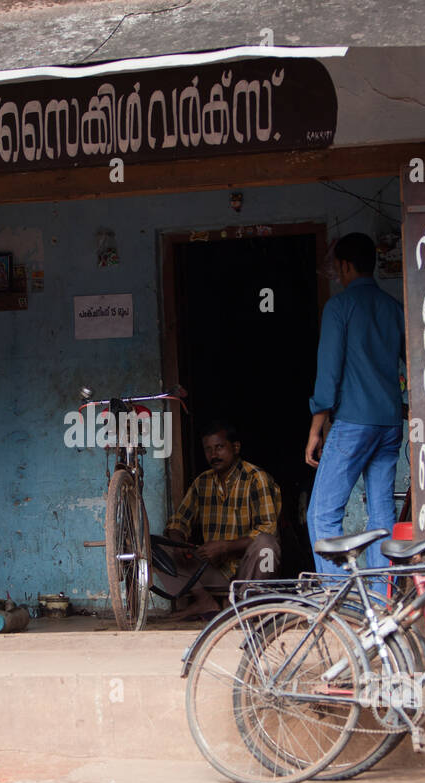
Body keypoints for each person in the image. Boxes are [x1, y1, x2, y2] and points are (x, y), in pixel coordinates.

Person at [305, 233, 404, 575]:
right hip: (390, 423)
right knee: (381, 514)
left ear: (345, 265)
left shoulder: (339, 306)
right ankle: (381, 601)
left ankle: (338, 604)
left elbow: (328, 373)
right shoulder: (393, 307)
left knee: (322, 514)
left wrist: (316, 429)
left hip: (353, 423)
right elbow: (409, 363)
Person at [160, 421, 282, 618]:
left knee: (266, 544)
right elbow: (179, 521)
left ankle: (245, 604)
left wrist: (226, 547)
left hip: (247, 570)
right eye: (208, 450)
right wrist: (178, 541)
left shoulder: (256, 478)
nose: (213, 455)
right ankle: (205, 602)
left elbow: (268, 528)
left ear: (235, 447)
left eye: (219, 447)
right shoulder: (203, 482)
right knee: (156, 548)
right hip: (212, 569)